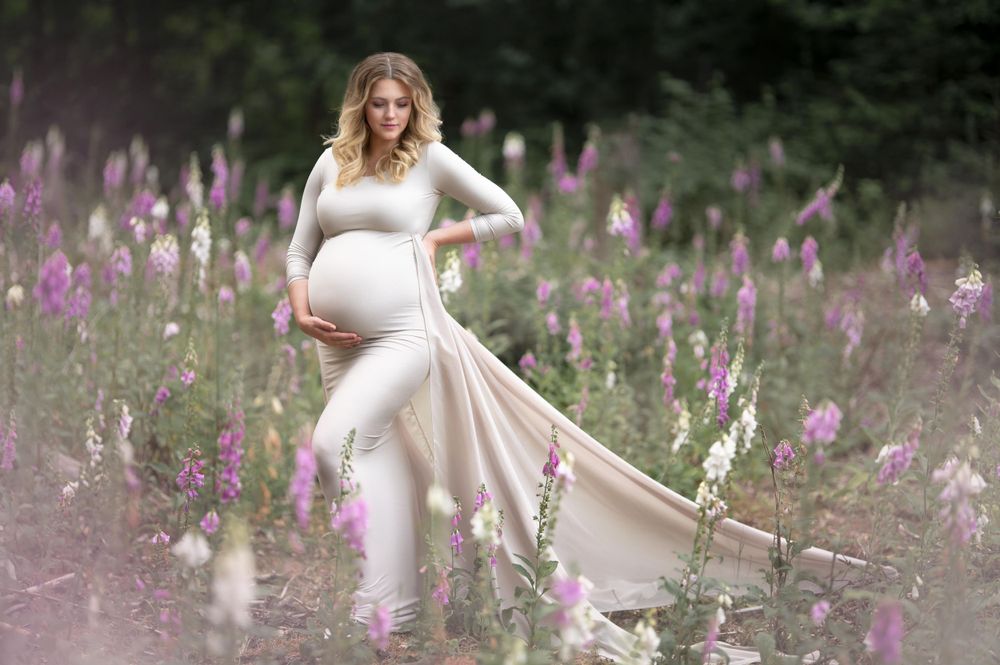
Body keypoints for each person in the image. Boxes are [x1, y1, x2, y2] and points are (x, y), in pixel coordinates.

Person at [285, 52, 875, 664]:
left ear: (416, 105)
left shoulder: (429, 159)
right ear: (361, 103)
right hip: (338, 347)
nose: (390, 114)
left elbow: (507, 214)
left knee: (333, 444)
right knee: (377, 458)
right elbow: (300, 250)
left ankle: (389, 600)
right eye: (379, 102)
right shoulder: (333, 163)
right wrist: (303, 311)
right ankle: (387, 601)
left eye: (401, 104)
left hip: (405, 335)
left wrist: (436, 237)